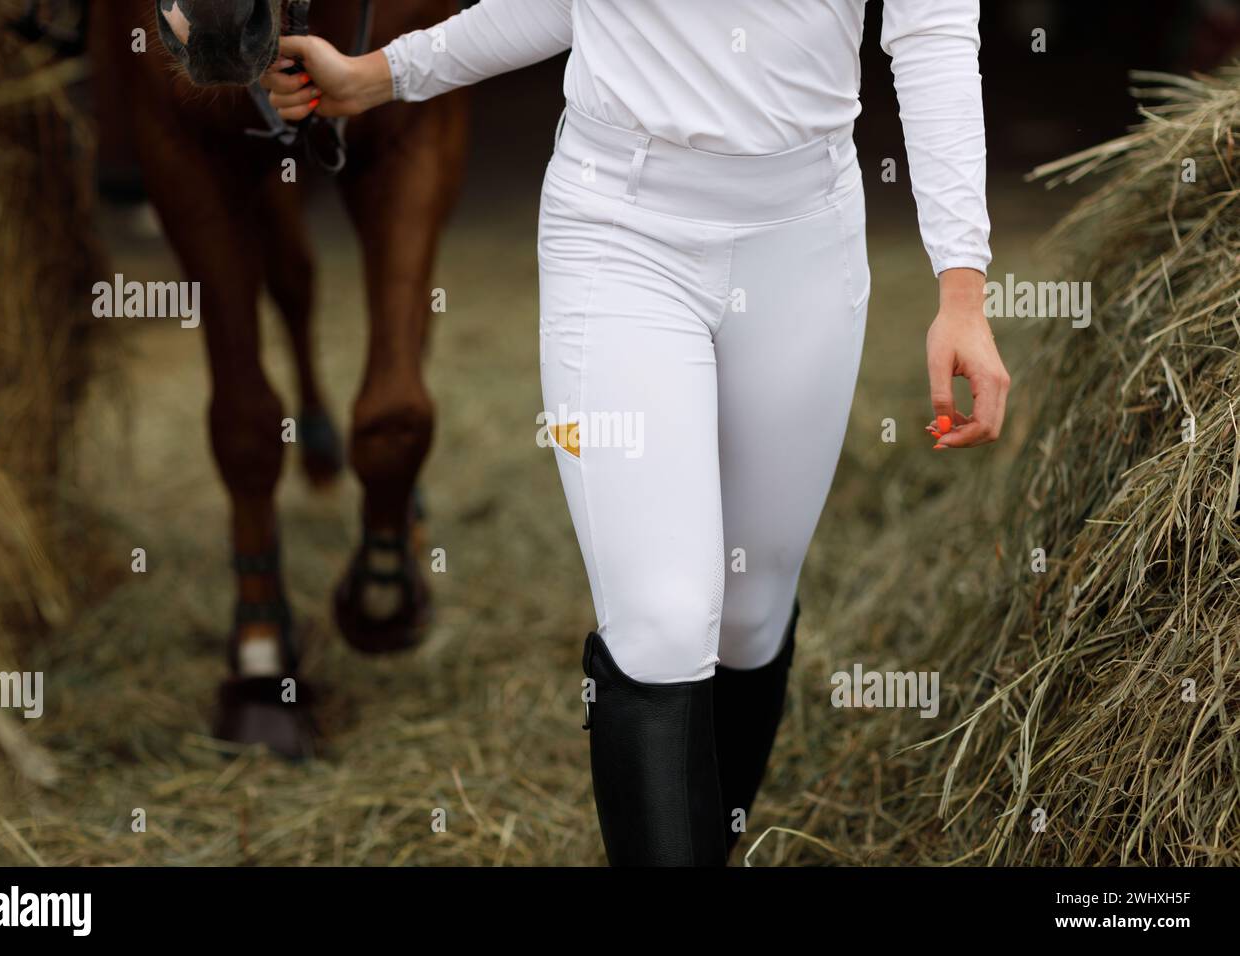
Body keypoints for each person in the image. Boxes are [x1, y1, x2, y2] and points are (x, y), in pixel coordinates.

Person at [262, 0, 1009, 866]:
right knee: (659, 622)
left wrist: (963, 289)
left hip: (803, 237)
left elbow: (934, 33)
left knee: (751, 613)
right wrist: (389, 72)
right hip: (617, 230)